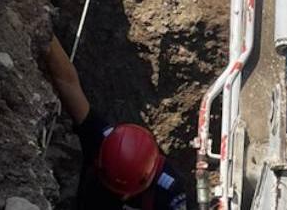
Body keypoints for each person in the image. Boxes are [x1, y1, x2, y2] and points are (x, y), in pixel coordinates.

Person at [43, 36, 195, 209]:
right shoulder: (101, 138)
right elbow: (68, 82)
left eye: (127, 192)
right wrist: (47, 36)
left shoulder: (168, 190)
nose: (123, 197)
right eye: (116, 190)